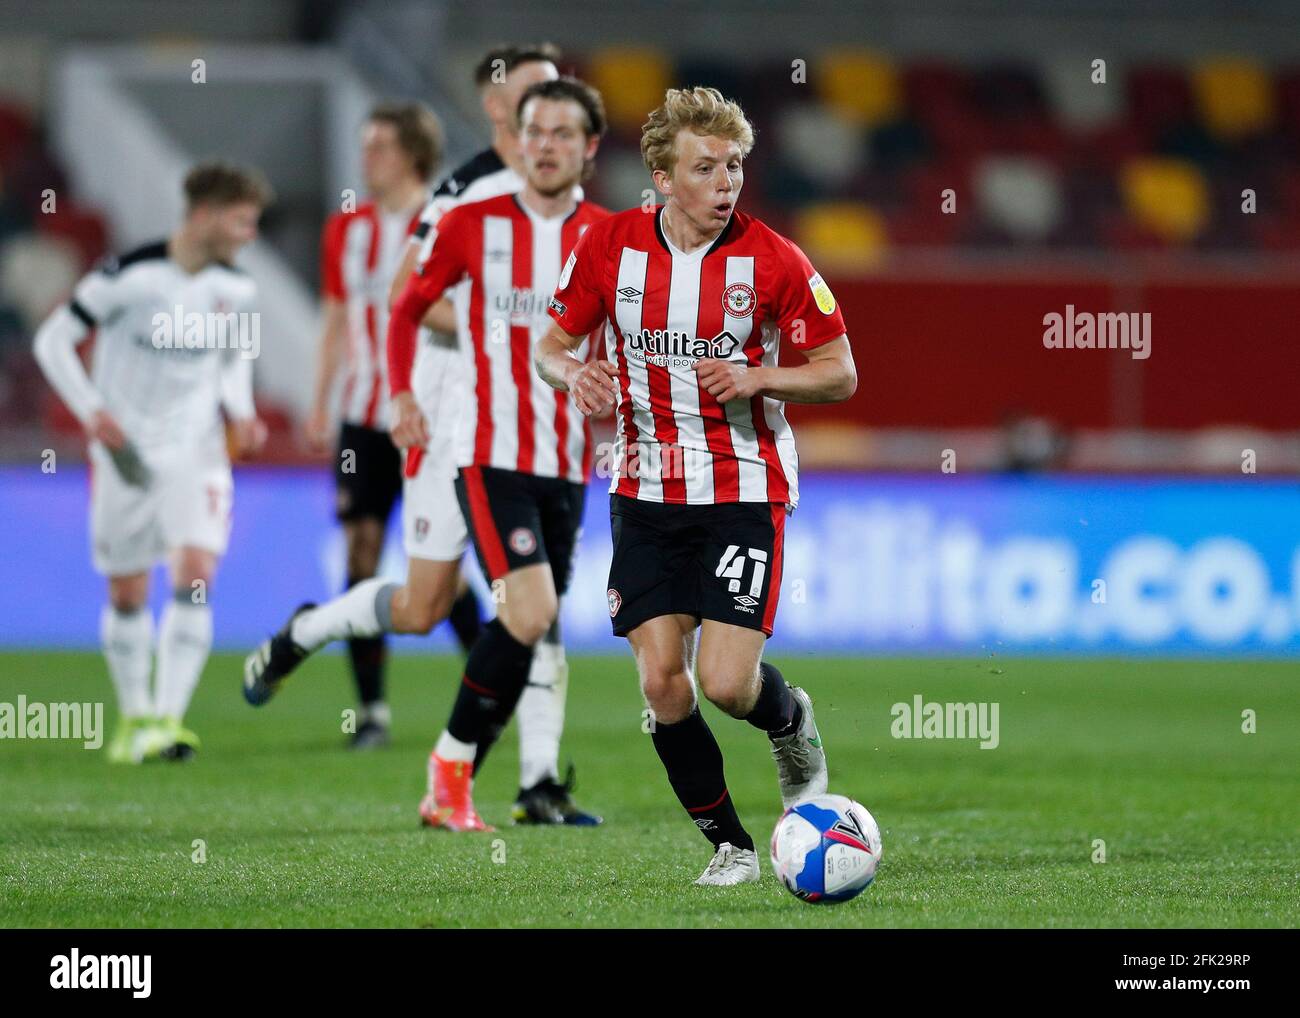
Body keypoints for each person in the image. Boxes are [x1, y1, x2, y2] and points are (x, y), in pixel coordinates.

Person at [535, 87, 858, 884]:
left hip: (743, 488)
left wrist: (757, 375)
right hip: (643, 491)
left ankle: (789, 720)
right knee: (661, 682)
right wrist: (575, 374)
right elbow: (549, 345)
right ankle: (732, 846)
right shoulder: (610, 246)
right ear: (660, 175)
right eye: (706, 167)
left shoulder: (776, 259)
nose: (726, 183)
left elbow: (841, 374)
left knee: (722, 683)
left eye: (736, 166)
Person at [386, 77, 610, 832]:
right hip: (489, 453)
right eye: (534, 132)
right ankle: (451, 772)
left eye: (562, 133)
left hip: (570, 463)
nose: (545, 146)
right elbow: (407, 305)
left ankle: (456, 776)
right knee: (532, 608)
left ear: (589, 148)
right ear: (517, 141)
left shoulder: (612, 237)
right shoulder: (472, 223)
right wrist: (402, 395)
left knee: (528, 622)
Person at [34, 161, 271, 762]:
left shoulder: (237, 290)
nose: (250, 235)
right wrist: (91, 410)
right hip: (125, 453)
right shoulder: (127, 276)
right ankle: (134, 719)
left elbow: (234, 363)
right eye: (242, 222)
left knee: (195, 576)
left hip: (197, 447)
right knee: (127, 592)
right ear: (207, 215)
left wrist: (240, 412)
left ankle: (169, 720)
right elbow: (52, 340)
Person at [302, 101, 482, 750]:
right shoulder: (343, 230)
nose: (367, 156)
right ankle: (372, 711)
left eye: (379, 145)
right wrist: (320, 400)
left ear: (412, 153)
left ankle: (488, 692)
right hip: (362, 416)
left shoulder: (449, 222)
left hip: (431, 415)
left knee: (445, 569)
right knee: (360, 550)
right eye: (365, 144)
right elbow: (333, 320)